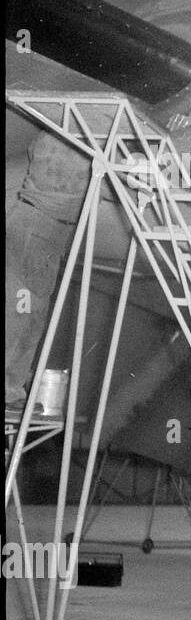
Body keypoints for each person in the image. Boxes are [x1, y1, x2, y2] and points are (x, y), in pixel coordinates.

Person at [5, 131, 91, 411]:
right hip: (40, 225)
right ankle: (9, 390)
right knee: (24, 312)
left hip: (43, 225)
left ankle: (12, 388)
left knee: (30, 314)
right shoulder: (75, 139)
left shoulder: (51, 135)